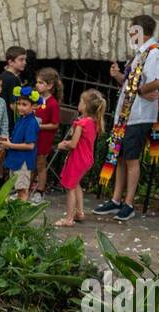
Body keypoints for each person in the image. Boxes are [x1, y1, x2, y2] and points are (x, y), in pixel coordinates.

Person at [94, 14, 159, 222]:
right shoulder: (140, 53)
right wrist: (118, 76)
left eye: (133, 30)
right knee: (121, 157)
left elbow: (158, 81)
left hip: (138, 116)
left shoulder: (153, 53)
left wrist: (142, 91)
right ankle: (116, 200)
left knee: (131, 159)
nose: (130, 34)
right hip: (127, 114)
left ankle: (129, 203)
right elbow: (130, 84)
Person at [55, 89, 106, 228]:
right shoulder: (93, 122)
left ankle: (69, 218)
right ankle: (80, 212)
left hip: (77, 159)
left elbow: (73, 144)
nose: (79, 104)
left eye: (80, 102)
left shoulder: (81, 124)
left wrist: (63, 144)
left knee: (70, 188)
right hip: (87, 159)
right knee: (76, 184)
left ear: (85, 106)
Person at [0, 85, 41, 200]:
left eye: (24, 104)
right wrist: (7, 140)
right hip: (16, 158)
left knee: (22, 190)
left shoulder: (31, 122)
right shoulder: (22, 118)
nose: (20, 107)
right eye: (18, 104)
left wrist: (10, 145)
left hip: (23, 161)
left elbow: (30, 145)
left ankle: (22, 209)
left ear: (34, 106)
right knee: (18, 188)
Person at [0, 45, 27, 180]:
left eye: (25, 59)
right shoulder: (13, 80)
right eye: (21, 59)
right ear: (11, 62)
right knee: (1, 151)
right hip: (7, 121)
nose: (24, 62)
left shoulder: (2, 76)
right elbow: (13, 105)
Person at [31, 67, 61, 203]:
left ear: (49, 86)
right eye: (37, 82)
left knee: (40, 165)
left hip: (44, 139)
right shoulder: (35, 99)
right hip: (33, 137)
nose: (37, 85)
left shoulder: (53, 104)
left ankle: (40, 191)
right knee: (31, 163)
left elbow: (55, 124)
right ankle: (25, 189)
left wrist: (39, 126)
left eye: (41, 83)